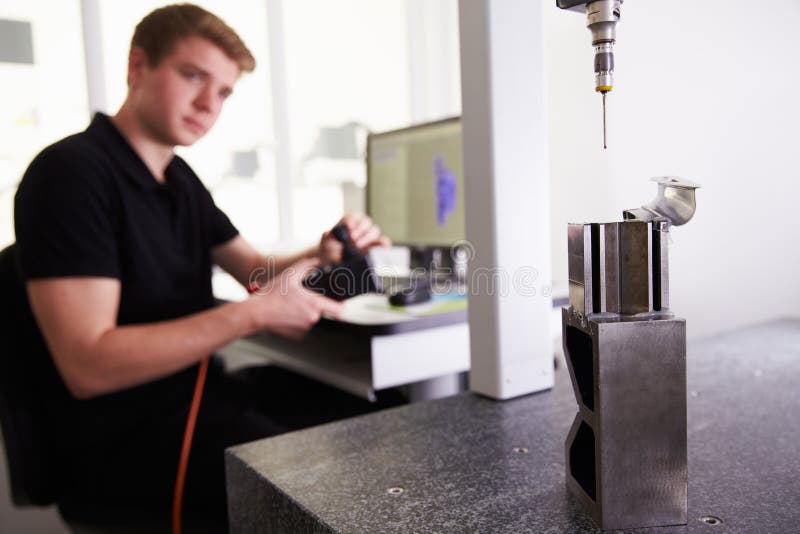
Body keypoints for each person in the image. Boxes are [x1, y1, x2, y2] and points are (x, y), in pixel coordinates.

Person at [13, 4, 397, 530]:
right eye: (193, 76)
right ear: (138, 66)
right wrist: (252, 314)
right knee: (333, 479)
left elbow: (255, 271)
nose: (208, 104)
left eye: (224, 92)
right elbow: (89, 365)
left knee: (386, 417)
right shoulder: (71, 175)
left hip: (199, 397)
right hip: (126, 441)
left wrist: (321, 252)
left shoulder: (180, 181)